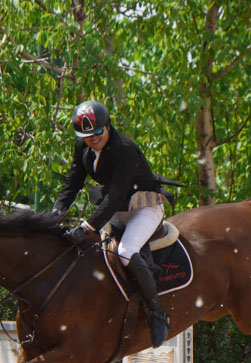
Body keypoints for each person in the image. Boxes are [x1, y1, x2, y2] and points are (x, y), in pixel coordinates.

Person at [52, 100, 170, 347]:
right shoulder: (82, 146)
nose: (93, 139)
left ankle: (157, 313)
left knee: (126, 252)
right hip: (115, 211)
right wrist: (57, 211)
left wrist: (86, 226)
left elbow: (116, 195)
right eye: (87, 135)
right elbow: (73, 182)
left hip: (144, 208)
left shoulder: (125, 149)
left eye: (97, 133)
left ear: (107, 126)